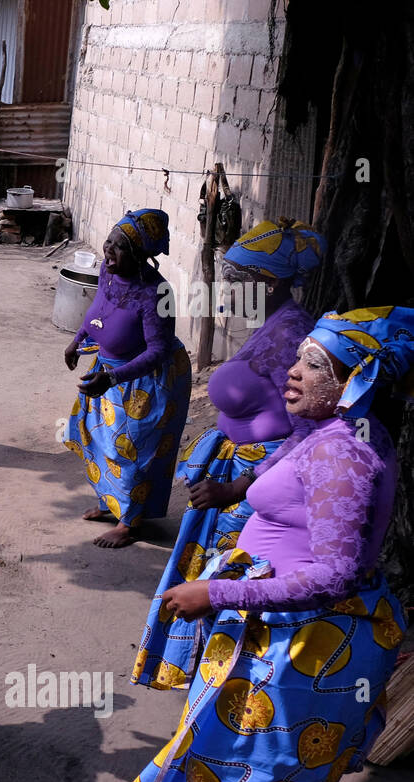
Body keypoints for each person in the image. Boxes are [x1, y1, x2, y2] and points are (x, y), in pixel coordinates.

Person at [103, 307, 412, 782]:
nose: (293, 371)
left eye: (314, 364)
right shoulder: (333, 431)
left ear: (352, 382)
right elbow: (284, 471)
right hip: (284, 639)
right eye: (299, 356)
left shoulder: (343, 451)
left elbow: (336, 575)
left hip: (302, 649)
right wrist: (234, 492)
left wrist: (218, 594)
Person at [134, 219, 327, 686]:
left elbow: (307, 434)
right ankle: (208, 675)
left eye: (238, 279)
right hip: (238, 473)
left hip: (259, 483)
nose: (227, 287)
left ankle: (230, 687)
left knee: (238, 581)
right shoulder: (271, 326)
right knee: (216, 578)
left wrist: (241, 484)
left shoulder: (290, 337)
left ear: (272, 282)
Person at [63, 209, 192, 547]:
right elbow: (98, 308)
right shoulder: (108, 272)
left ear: (140, 256)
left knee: (133, 451)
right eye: (109, 241)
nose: (109, 251)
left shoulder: (156, 293)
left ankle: (129, 523)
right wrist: (77, 340)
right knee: (101, 441)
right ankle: (115, 503)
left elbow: (158, 351)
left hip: (147, 380)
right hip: (109, 372)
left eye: (119, 248)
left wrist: (114, 377)